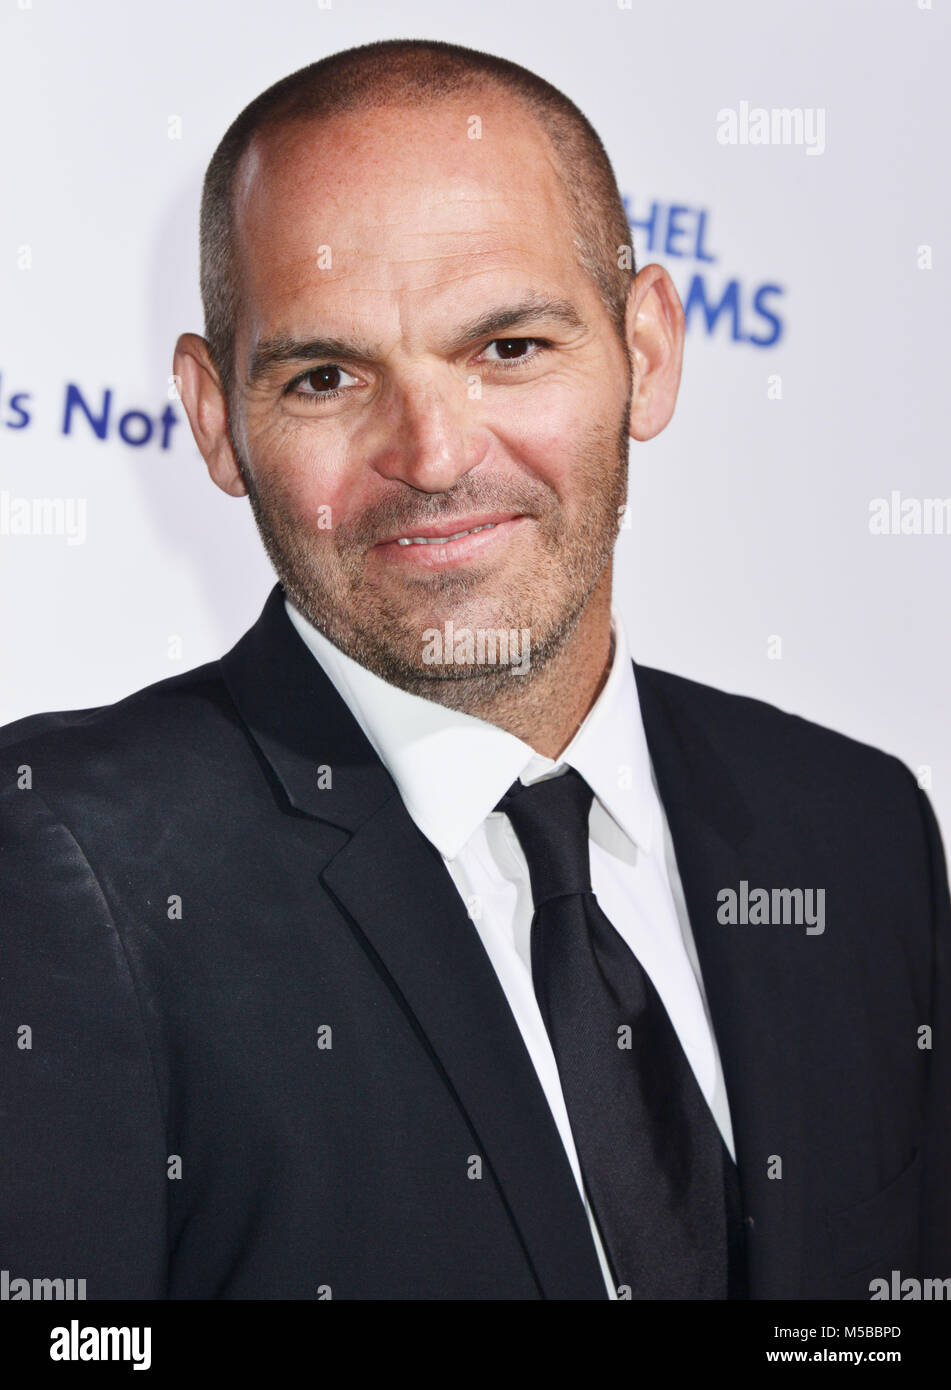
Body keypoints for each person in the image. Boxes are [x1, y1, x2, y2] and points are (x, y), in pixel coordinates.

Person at [1, 38, 947, 1302]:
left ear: (648, 351)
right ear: (216, 417)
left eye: (509, 348)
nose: (436, 455)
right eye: (328, 376)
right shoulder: (59, 866)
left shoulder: (855, 826)